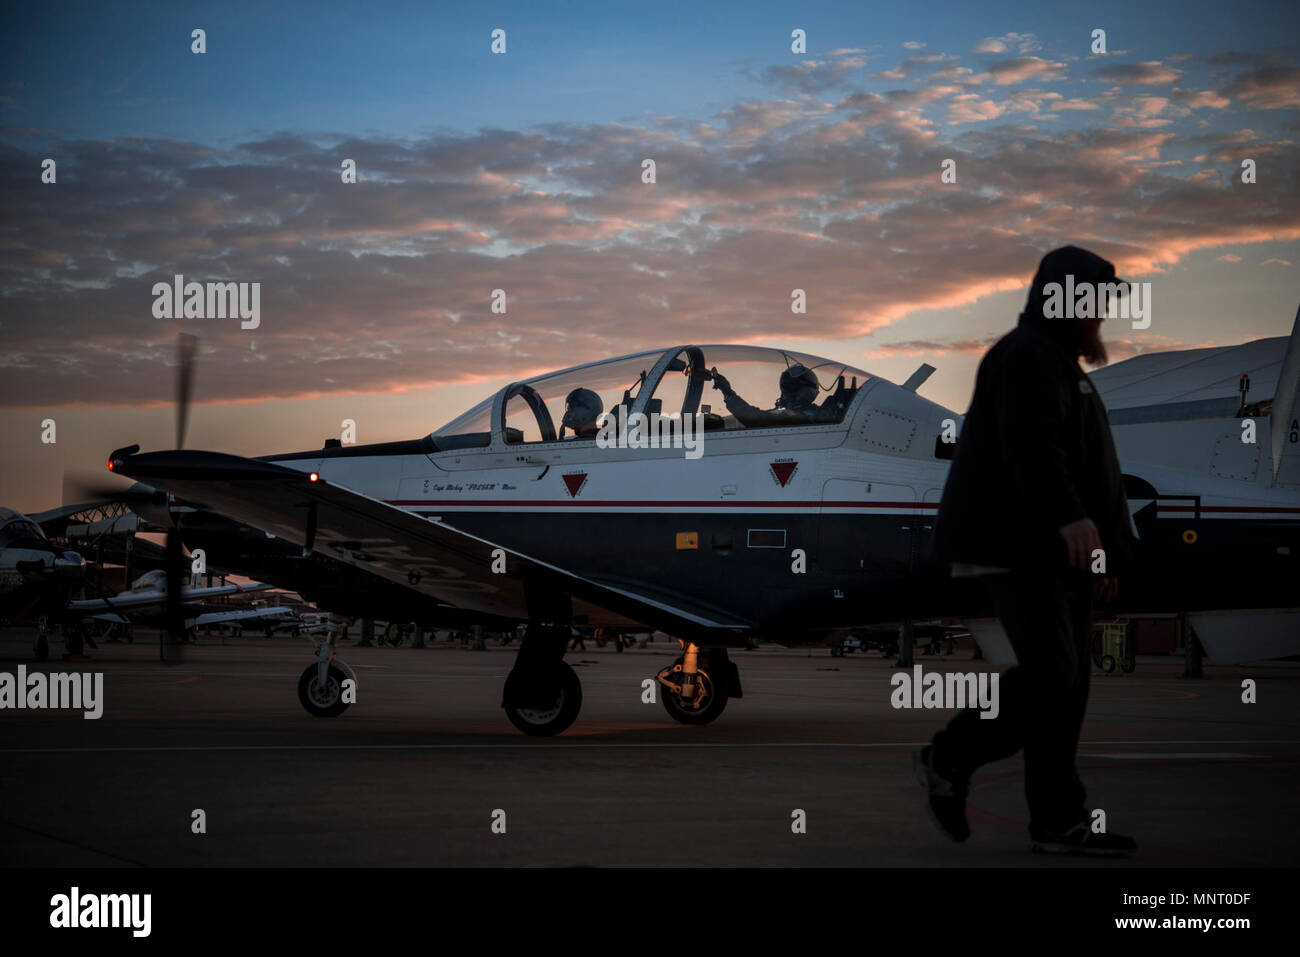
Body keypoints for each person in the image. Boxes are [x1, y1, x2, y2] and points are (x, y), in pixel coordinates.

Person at [916, 245, 1138, 857]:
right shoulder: (1026, 358)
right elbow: (1031, 448)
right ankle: (949, 756)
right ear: (1063, 300)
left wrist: (1106, 555)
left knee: (1068, 688)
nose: (1101, 315)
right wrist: (1069, 520)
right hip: (1016, 544)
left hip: (1056, 552)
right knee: (1051, 678)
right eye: (1091, 301)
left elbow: (1098, 474)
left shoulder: (1067, 369)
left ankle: (1058, 822)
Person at [710, 364, 840, 428]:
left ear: (806, 390)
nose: (786, 392)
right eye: (785, 387)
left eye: (792, 387)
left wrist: (728, 392)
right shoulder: (803, 414)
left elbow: (756, 418)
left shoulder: (805, 417)